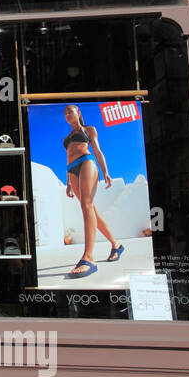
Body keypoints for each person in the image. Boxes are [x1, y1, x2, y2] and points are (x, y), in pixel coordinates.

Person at [63, 104, 122, 278]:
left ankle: (88, 257)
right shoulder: (67, 137)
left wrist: (105, 171)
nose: (67, 114)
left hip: (86, 162)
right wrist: (67, 183)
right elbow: (68, 158)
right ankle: (116, 244)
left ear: (78, 113)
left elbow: (97, 150)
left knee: (86, 206)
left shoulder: (89, 130)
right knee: (91, 209)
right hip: (71, 169)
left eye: (70, 111)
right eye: (65, 113)